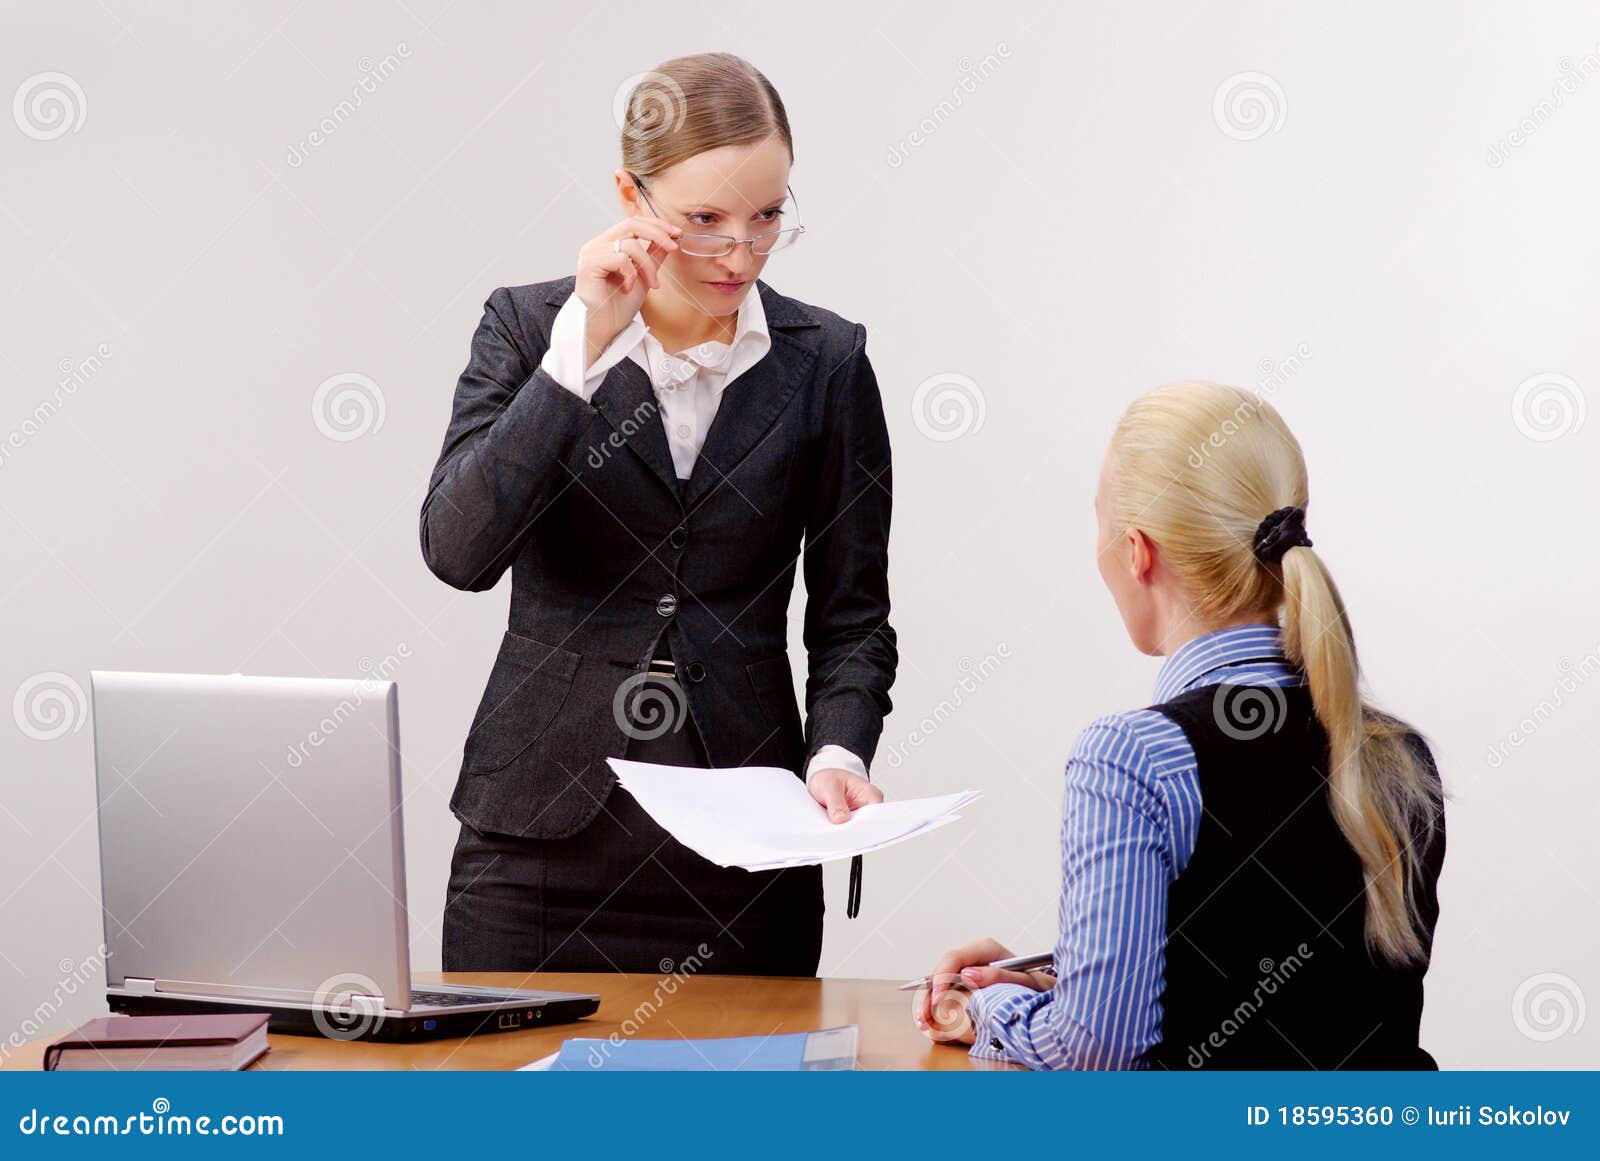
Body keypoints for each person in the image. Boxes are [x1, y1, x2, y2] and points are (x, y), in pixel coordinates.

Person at [420, 53, 896, 977]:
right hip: (535, 850)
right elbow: (458, 549)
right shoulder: (528, 331)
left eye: (768, 218)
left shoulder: (828, 361)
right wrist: (580, 355)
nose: (740, 255)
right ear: (630, 197)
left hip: (745, 853)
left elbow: (853, 618)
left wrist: (838, 749)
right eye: (704, 222)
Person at [914, 381, 1445, 1068]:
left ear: (1137, 551)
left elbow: (1095, 1053)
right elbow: (1298, 999)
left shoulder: (1132, 757)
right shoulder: (1401, 754)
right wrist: (1063, 985)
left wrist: (987, 1007)